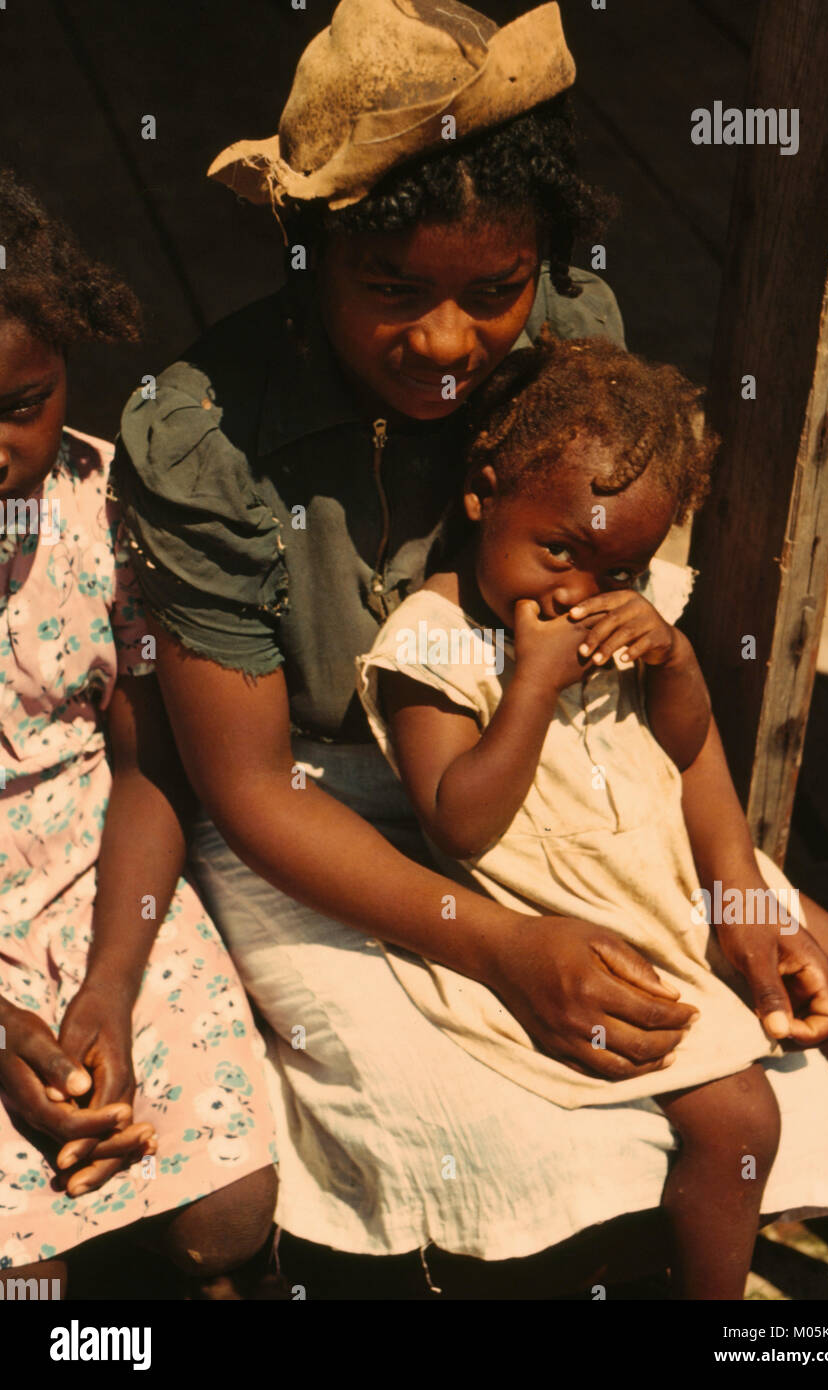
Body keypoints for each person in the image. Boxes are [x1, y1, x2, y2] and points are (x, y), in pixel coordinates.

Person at [110, 0, 828, 1292]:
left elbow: (643, 690)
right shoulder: (212, 437)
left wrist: (730, 883)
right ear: (310, 254)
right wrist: (492, 945)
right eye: (390, 292)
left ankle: (798, 1174)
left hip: (565, 783)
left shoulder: (565, 351)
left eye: (492, 290)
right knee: (487, 1128)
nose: (443, 343)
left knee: (812, 977)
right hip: (332, 827)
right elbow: (248, 789)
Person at [356, 328, 828, 1298]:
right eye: (556, 550)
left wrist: (673, 661)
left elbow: (685, 748)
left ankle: (824, 1168)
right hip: (564, 905)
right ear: (483, 495)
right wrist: (528, 687)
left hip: (667, 866)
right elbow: (456, 820)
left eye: (617, 568)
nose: (579, 591)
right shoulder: (431, 642)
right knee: (735, 1118)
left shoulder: (625, 599)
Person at [0, 173, 277, 1296]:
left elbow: (149, 763)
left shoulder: (105, 511)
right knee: (32, 1274)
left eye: (23, 402)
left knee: (228, 1217)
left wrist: (111, 981)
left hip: (97, 877)